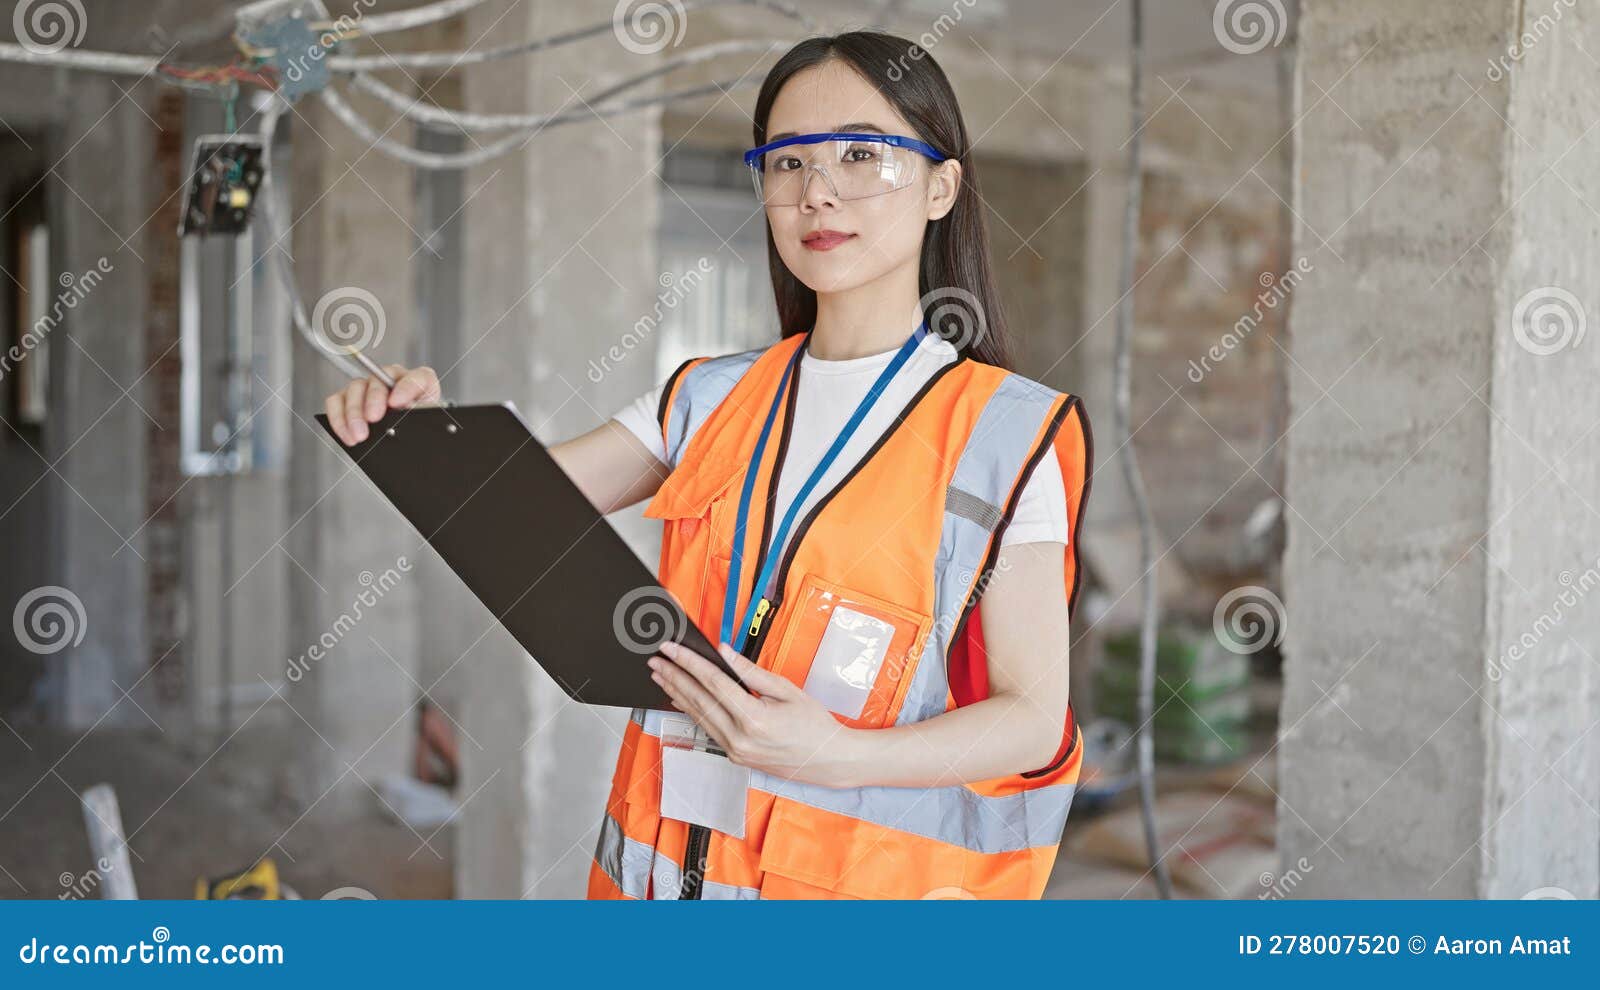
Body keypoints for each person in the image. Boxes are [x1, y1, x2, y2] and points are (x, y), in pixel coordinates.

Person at [323, 30, 1092, 900]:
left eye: (862, 155)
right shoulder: (707, 399)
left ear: (941, 187)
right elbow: (511, 504)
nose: (819, 191)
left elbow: (1032, 720)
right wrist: (422, 436)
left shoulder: (1004, 431)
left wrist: (843, 754)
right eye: (788, 163)